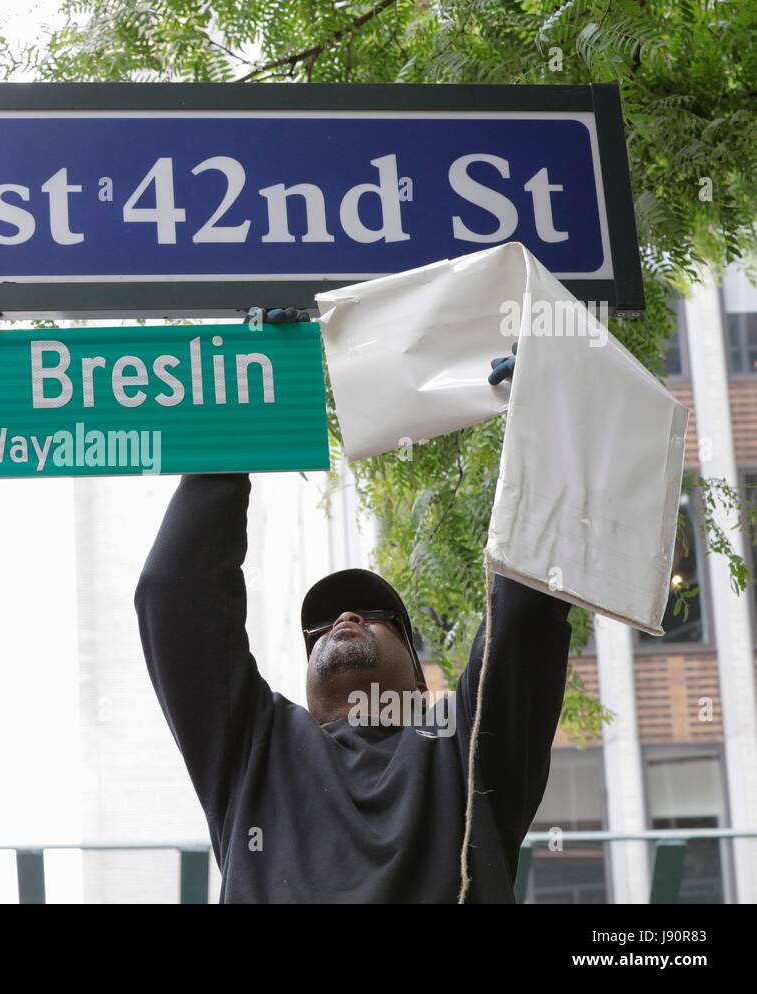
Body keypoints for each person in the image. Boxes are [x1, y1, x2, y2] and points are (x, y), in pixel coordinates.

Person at [133, 326, 570, 903]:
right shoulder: (254, 750)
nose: (343, 618)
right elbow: (174, 598)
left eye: (373, 613)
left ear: (420, 678)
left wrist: (544, 420)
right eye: (319, 627)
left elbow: (526, 613)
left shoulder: (466, 746)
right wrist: (240, 420)